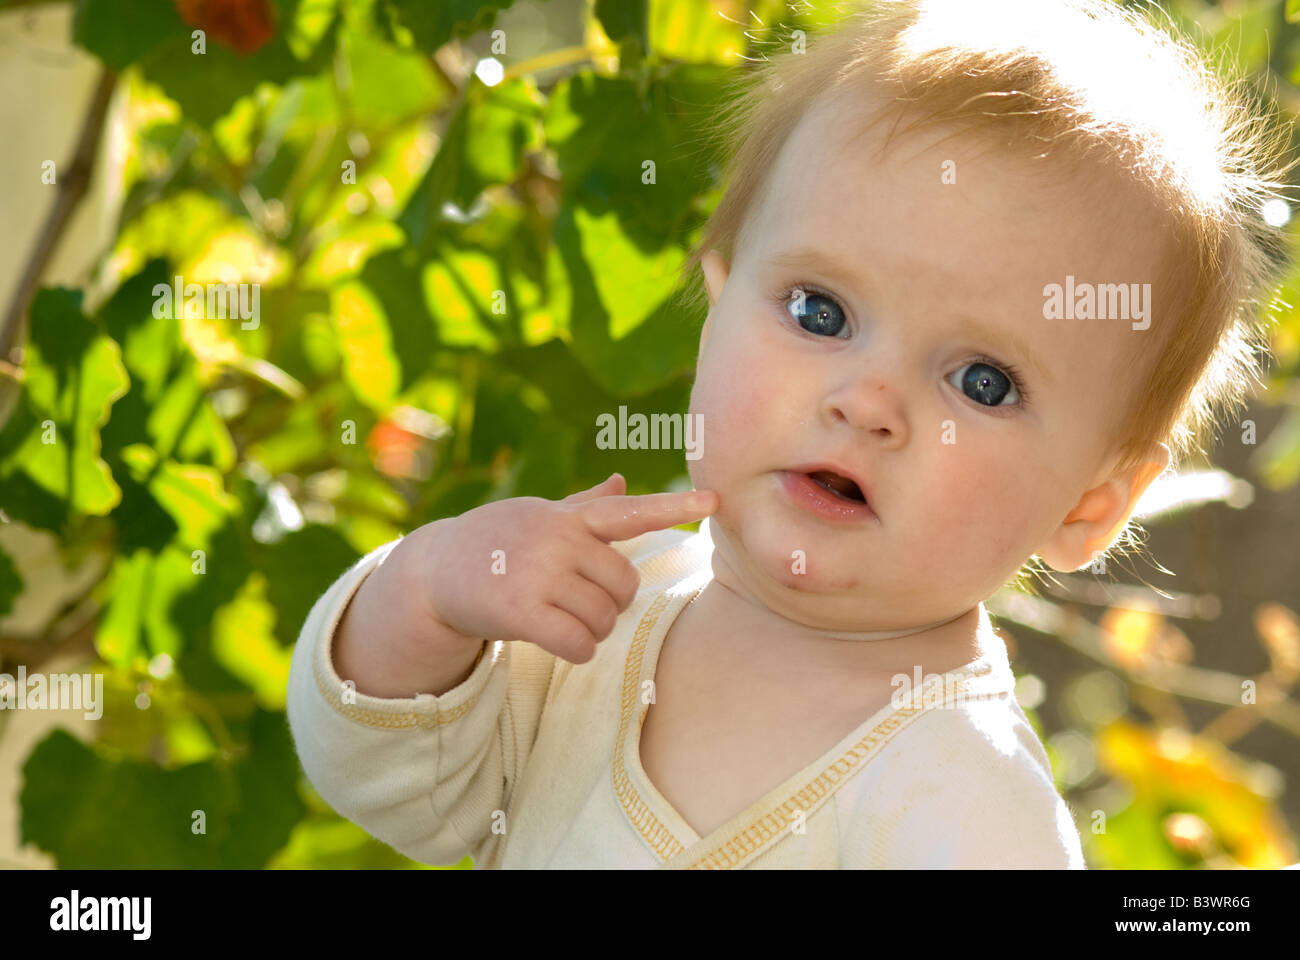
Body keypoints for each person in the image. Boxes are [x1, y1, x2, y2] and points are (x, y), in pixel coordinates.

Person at [286, 0, 1293, 868]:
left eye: (982, 381)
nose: (866, 401)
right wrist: (425, 594)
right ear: (714, 309)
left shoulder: (962, 802)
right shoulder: (600, 610)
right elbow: (389, 785)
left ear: (1088, 505)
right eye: (819, 313)